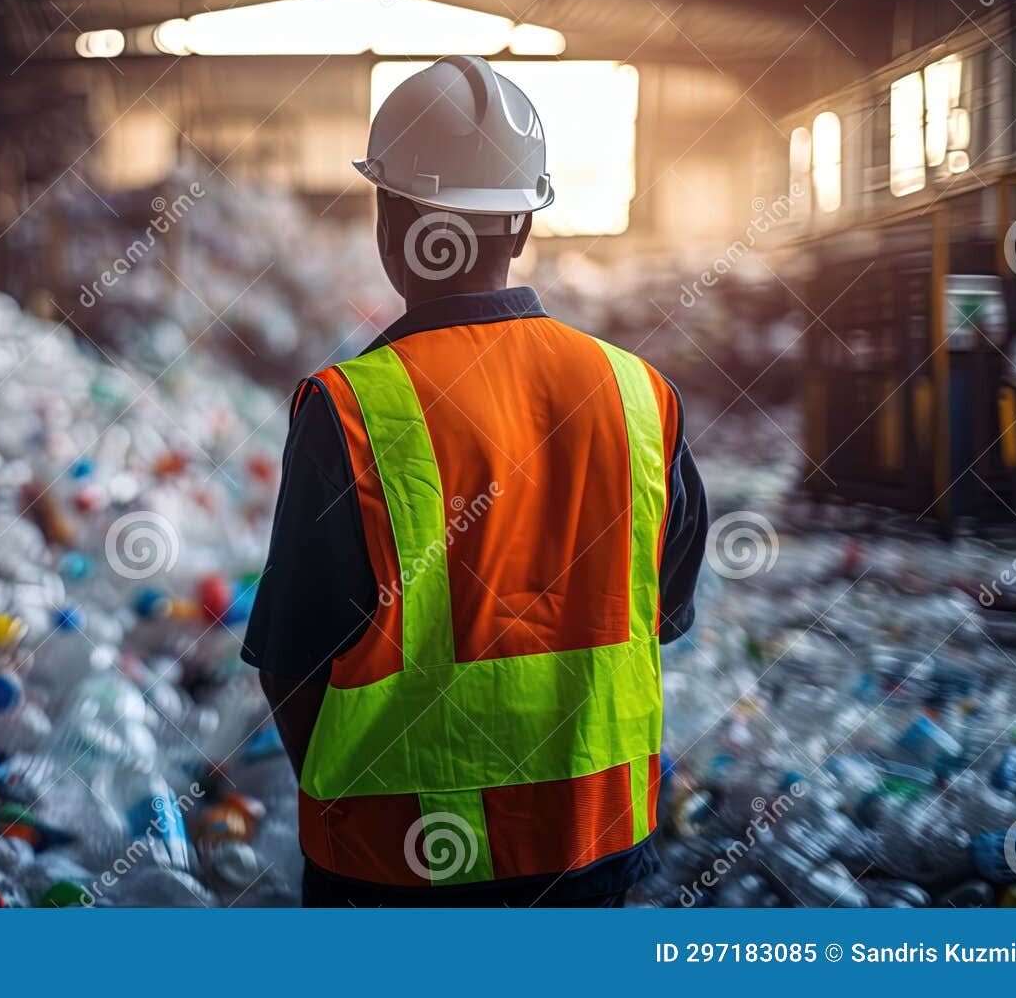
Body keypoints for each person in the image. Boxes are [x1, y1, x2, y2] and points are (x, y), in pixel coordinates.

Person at [241, 55, 708, 907]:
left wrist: (346, 797)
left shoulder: (351, 409)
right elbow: (661, 616)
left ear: (390, 219)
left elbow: (291, 661)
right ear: (525, 225)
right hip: (595, 842)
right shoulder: (642, 396)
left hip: (403, 862)